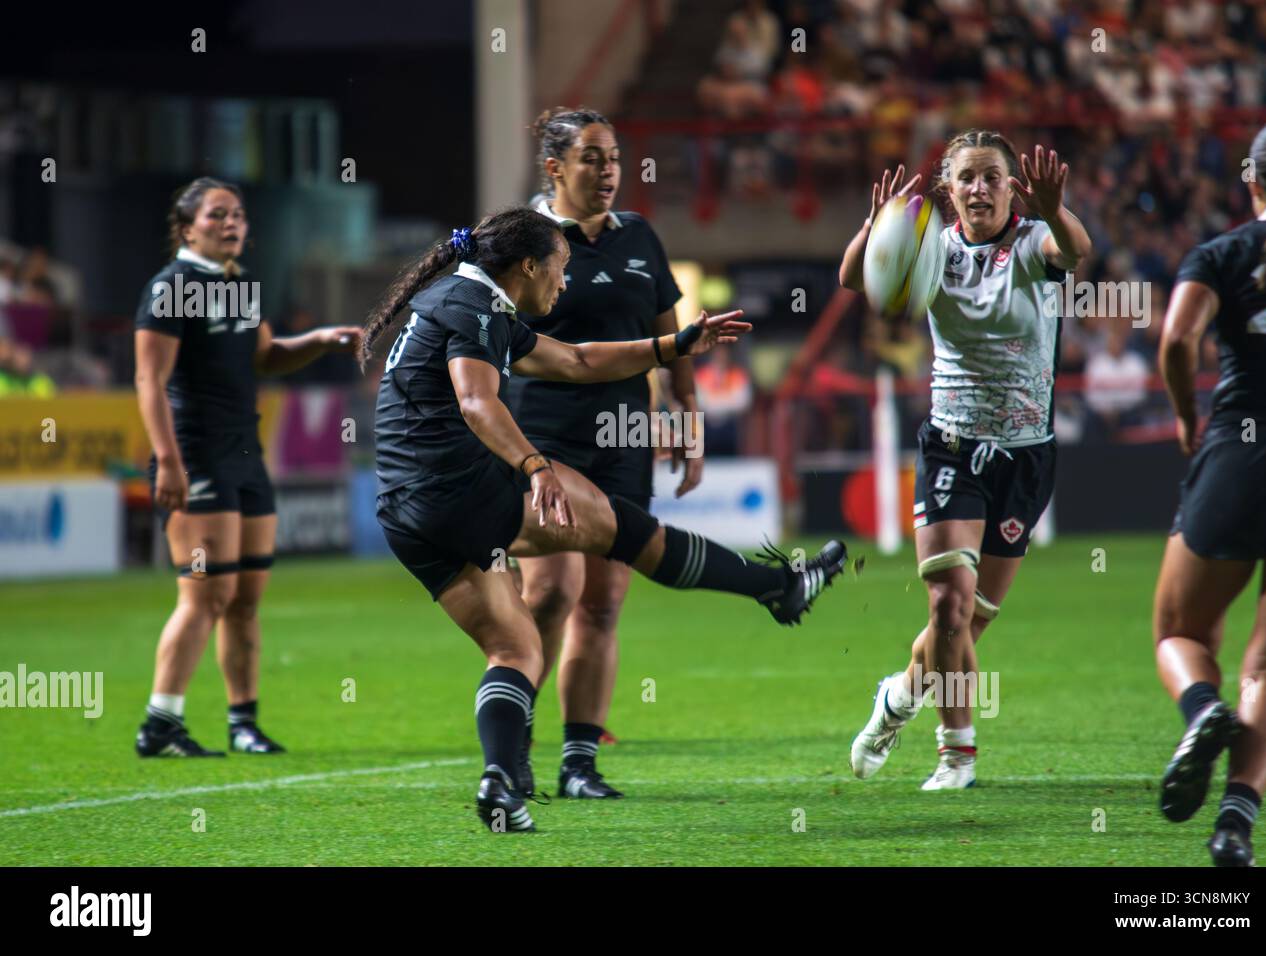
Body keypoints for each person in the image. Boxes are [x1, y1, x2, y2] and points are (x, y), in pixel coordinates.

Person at [360, 206, 846, 831]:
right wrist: (535, 467)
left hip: (403, 511)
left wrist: (675, 345)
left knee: (515, 647)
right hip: (457, 485)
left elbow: (578, 361)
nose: (564, 285)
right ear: (528, 265)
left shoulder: (465, 300)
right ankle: (776, 587)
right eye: (559, 271)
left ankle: (500, 781)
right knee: (626, 531)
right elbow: (476, 400)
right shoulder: (475, 306)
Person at [839, 132, 1091, 789]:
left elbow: (1076, 250)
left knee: (968, 621)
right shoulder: (931, 249)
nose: (980, 188)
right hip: (952, 445)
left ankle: (896, 697)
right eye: (966, 178)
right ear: (947, 191)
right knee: (950, 608)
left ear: (1013, 187)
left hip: (1026, 454)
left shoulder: (1033, 242)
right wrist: (876, 226)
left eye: (992, 177)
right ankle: (957, 754)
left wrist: (1058, 208)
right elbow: (850, 279)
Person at [507, 107, 702, 800]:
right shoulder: (522, 240)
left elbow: (670, 337)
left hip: (624, 442)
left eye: (613, 157)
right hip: (543, 439)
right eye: (591, 158)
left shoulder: (640, 237)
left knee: (603, 603)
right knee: (552, 593)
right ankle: (515, 750)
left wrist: (687, 419)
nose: (608, 170)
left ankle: (579, 764)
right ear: (555, 167)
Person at [134, 177, 361, 757]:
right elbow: (149, 380)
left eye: (237, 214)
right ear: (187, 229)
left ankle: (243, 722)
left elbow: (266, 356)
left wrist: (320, 340)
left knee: (244, 601)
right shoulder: (173, 287)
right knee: (205, 595)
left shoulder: (240, 286)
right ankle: (161, 723)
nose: (232, 223)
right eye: (216, 215)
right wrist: (168, 461)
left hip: (245, 455)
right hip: (197, 453)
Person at [1152, 116, 1266, 867]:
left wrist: (1185, 415)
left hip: (1240, 450)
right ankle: (1235, 823)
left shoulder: (1223, 252)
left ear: (1254, 183)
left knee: (1180, 633)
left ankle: (1204, 711)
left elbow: (1178, 340)